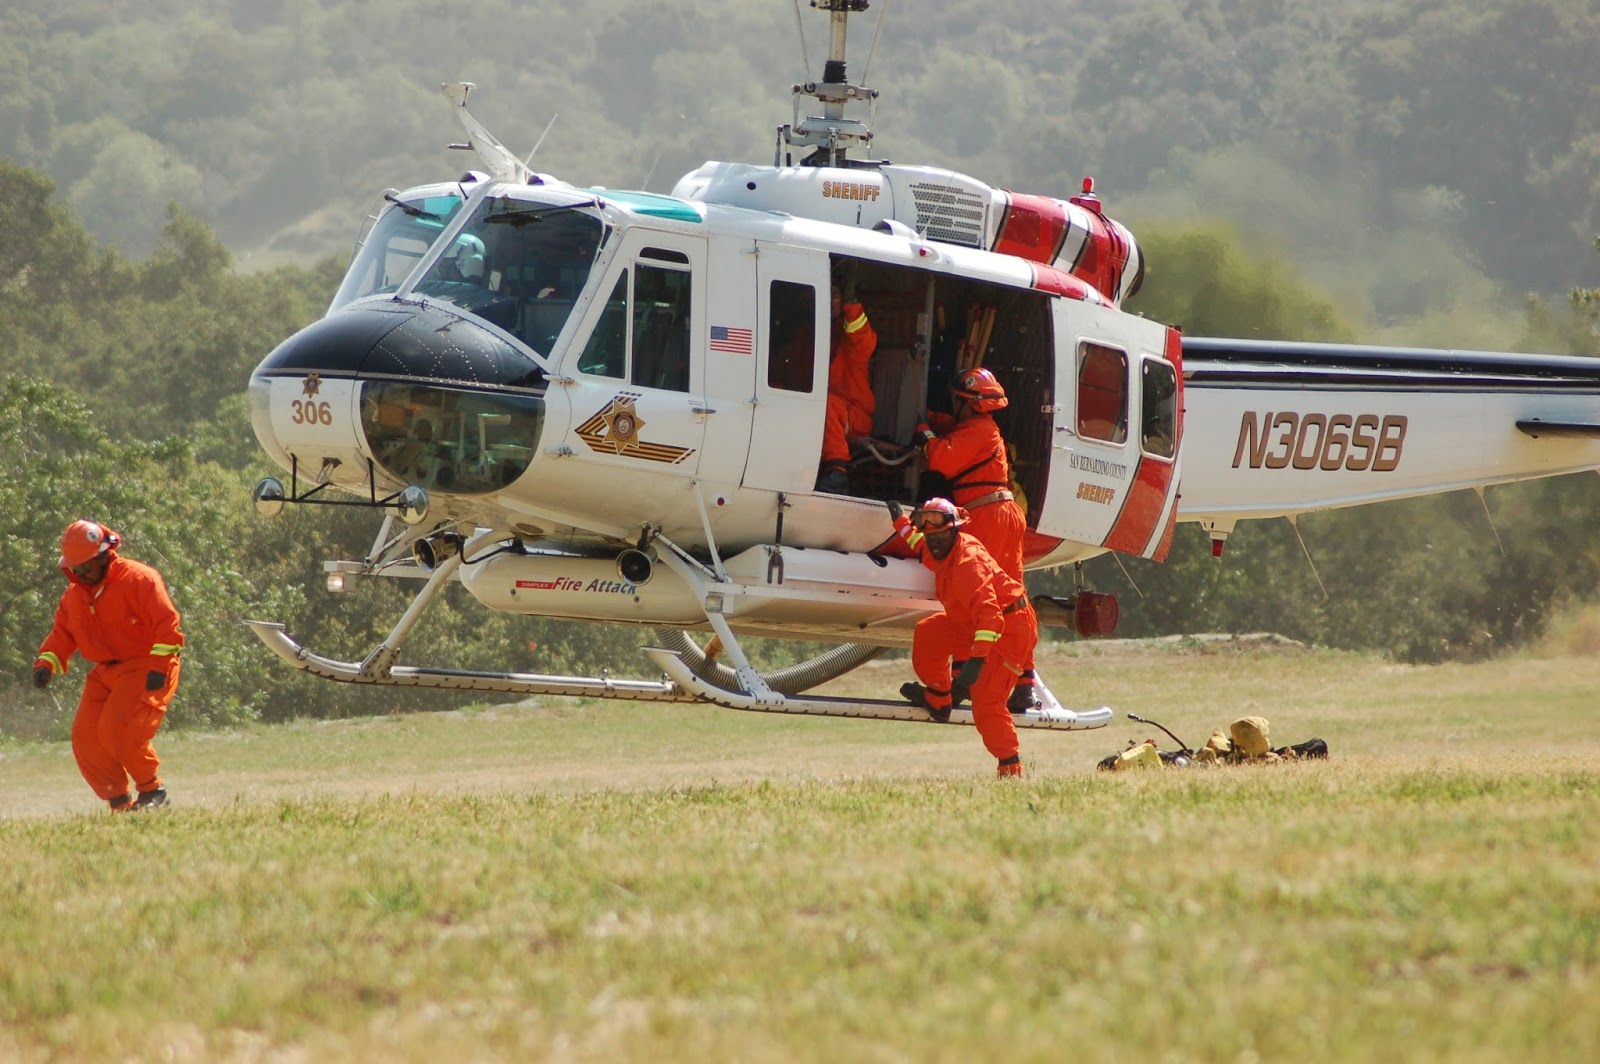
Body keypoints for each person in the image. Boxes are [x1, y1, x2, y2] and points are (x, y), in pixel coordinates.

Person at [30, 520, 185, 812]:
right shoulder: (74, 596)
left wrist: (159, 667)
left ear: (103, 555)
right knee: (86, 736)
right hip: (105, 672)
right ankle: (120, 804)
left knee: (118, 728)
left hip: (145, 665)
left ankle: (154, 792)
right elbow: (62, 634)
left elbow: (168, 625)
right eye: (74, 569)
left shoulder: (140, 579)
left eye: (85, 568)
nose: (79, 575)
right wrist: (46, 662)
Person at [914, 367, 1039, 711]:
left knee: (973, 595)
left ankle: (959, 681)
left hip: (985, 516)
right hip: (1005, 514)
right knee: (1012, 597)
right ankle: (1024, 683)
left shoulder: (977, 431)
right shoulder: (982, 429)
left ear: (966, 403)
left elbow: (940, 458)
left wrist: (923, 432)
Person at [887, 498, 1038, 778]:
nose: (934, 540)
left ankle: (1010, 766)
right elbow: (922, 544)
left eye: (940, 534)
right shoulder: (943, 548)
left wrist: (976, 661)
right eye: (930, 534)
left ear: (955, 530)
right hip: (973, 622)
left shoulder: (968, 563)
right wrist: (902, 525)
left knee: (987, 703)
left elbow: (990, 616)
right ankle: (939, 700)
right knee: (928, 633)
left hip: (1009, 629)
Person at [816, 280, 878, 494]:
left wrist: (852, 308)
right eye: (827, 295)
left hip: (856, 416)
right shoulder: (811, 336)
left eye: (836, 296)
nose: (831, 301)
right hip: (826, 411)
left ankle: (837, 471)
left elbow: (864, 340)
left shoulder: (851, 341)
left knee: (825, 403)